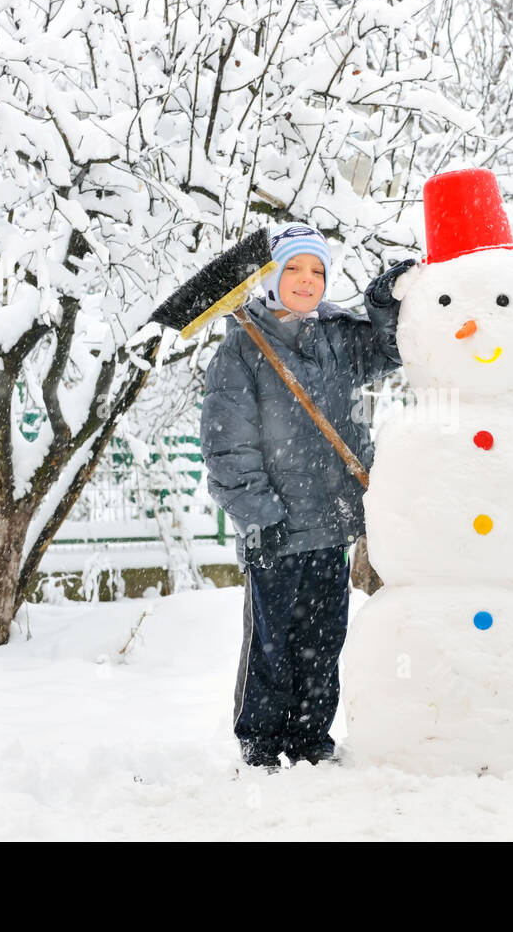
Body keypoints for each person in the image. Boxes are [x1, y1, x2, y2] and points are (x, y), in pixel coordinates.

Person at [200, 222, 415, 769]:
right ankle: (263, 742)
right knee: (272, 642)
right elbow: (228, 443)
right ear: (271, 276)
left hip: (333, 518)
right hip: (276, 524)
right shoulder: (243, 347)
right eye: (293, 268)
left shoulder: (338, 337)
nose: (306, 280)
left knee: (324, 638)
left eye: (316, 270)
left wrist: (383, 304)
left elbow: (393, 351)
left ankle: (311, 739)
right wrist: (258, 513)